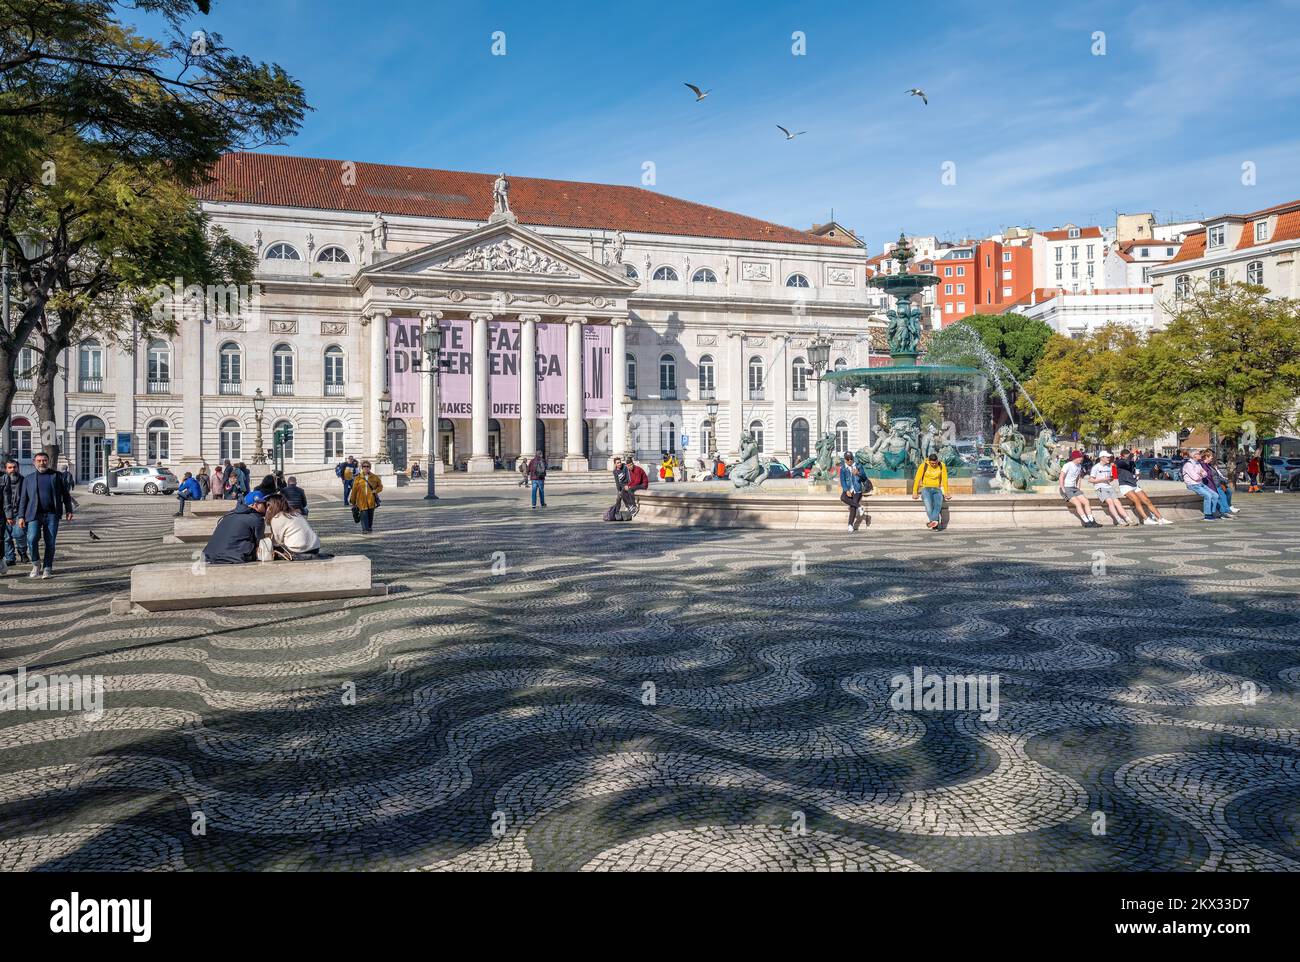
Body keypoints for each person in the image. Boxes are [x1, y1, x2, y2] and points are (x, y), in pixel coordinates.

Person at [15, 451, 75, 578]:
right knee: (31, 539)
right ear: (34, 463)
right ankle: (36, 563)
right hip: (33, 515)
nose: (42, 463)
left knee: (50, 542)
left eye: (44, 460)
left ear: (48, 461)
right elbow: (23, 499)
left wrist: (69, 510)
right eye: (39, 460)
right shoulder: (28, 479)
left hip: (52, 514)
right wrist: (21, 516)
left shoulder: (57, 476)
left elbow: (66, 495)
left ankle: (47, 567)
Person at [203, 490, 268, 564]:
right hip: (234, 556)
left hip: (210, 555)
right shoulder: (256, 519)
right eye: (264, 503)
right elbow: (261, 543)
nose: (266, 506)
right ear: (255, 505)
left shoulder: (229, 515)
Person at [1115, 450, 1170, 525]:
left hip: (1133, 484)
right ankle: (1146, 519)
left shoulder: (1132, 462)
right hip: (1125, 485)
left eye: (1130, 455)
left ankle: (1161, 518)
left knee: (1147, 501)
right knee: (1137, 501)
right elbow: (1125, 465)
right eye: (1127, 455)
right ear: (1122, 455)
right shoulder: (1119, 462)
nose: (1129, 456)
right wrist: (1130, 458)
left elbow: (1132, 471)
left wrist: (1136, 475)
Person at [262, 493, 321, 560]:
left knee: (272, 549)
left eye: (268, 505)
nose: (267, 509)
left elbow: (278, 542)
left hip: (299, 550)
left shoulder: (277, 518)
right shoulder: (295, 513)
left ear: (272, 506)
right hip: (315, 547)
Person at [1088, 451, 1135, 526]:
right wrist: (1103, 479)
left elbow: (1112, 478)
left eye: (1109, 457)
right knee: (1110, 502)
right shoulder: (1096, 467)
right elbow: (1090, 480)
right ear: (1102, 458)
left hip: (1109, 486)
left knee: (1117, 502)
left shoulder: (1109, 466)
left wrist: (1110, 479)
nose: (1109, 458)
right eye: (1107, 457)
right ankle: (1119, 520)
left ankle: (1128, 519)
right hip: (1100, 487)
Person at [1059, 450, 1100, 528]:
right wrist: (1063, 489)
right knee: (1078, 503)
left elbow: (1078, 478)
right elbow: (1061, 477)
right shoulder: (1067, 465)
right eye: (1080, 457)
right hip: (1066, 488)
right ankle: (1086, 522)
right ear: (1075, 458)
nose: (1081, 458)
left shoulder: (1079, 466)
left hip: (1074, 488)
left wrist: (1078, 488)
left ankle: (1092, 520)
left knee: (1086, 502)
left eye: (1081, 457)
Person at [1, 457, 27, 574]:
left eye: (14, 467)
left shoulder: (24, 481)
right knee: (6, 537)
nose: (12, 470)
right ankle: (10, 558)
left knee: (19, 534)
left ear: (18, 468)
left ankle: (22, 552)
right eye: (10, 468)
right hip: (4, 513)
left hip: (19, 512)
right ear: (6, 469)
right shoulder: (2, 480)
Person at [912, 451, 950, 530]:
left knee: (938, 505)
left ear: (937, 461)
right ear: (929, 461)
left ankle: (933, 522)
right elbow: (917, 479)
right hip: (926, 489)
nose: (934, 465)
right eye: (932, 463)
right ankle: (935, 523)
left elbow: (945, 479)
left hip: (937, 488)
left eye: (935, 463)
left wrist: (946, 492)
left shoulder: (941, 465)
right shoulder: (923, 466)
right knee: (929, 507)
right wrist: (915, 492)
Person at [1181, 449, 1221, 521]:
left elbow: (1205, 474)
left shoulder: (1198, 464)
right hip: (1193, 485)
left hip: (1200, 484)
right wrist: (1201, 474)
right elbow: (1195, 477)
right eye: (1198, 454)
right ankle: (1207, 515)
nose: (1200, 455)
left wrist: (1201, 474)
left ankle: (1212, 512)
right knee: (1208, 495)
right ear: (1194, 456)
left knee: (1215, 495)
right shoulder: (1188, 465)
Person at [348, 460, 383, 532]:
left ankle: (369, 527)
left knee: (370, 515)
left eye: (367, 466)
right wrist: (353, 501)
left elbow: (380, 487)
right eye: (364, 466)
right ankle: (364, 529)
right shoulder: (358, 478)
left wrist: (375, 491)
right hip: (361, 500)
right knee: (363, 514)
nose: (366, 468)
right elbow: (354, 490)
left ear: (370, 467)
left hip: (371, 500)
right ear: (362, 468)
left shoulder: (375, 477)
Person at [1202, 449, 1239, 516]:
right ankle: (1224, 511)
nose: (1212, 458)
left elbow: (1217, 475)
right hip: (1214, 485)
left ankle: (1226, 510)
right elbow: (1209, 477)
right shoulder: (1205, 465)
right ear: (1206, 457)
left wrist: (1224, 480)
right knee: (1221, 496)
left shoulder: (1211, 465)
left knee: (1226, 494)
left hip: (1218, 483)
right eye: (1211, 457)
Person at [839, 452, 868, 531]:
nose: (850, 461)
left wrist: (858, 473)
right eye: (848, 459)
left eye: (851, 459)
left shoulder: (858, 466)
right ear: (845, 460)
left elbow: (864, 477)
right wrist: (846, 490)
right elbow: (842, 481)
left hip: (857, 489)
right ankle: (859, 506)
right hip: (848, 489)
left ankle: (850, 524)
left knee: (852, 506)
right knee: (842, 498)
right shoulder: (843, 469)